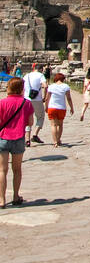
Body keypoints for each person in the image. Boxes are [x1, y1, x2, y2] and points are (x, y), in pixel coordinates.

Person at [0, 77, 33, 207]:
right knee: (17, 169)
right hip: (19, 138)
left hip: (3, 138)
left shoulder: (2, 103)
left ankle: (1, 200)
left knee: (2, 170)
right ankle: (15, 196)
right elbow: (30, 123)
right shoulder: (26, 103)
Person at [45, 71, 74, 147]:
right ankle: (58, 140)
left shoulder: (51, 86)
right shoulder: (66, 86)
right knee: (60, 125)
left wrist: (46, 107)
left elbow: (47, 98)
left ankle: (55, 142)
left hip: (52, 107)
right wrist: (71, 107)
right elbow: (69, 98)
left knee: (53, 125)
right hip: (61, 107)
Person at [23, 62, 47, 146]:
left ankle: (27, 139)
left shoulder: (27, 75)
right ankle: (35, 134)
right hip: (37, 99)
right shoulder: (40, 75)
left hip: (26, 99)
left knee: (27, 119)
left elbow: (22, 87)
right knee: (40, 117)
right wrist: (44, 96)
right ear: (40, 69)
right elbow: (45, 85)